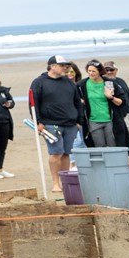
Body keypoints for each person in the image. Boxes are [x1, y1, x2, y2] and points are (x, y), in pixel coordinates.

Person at [28, 55, 87, 183]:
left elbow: (77, 102)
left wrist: (79, 121)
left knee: (66, 153)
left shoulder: (68, 82)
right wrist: (38, 122)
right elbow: (33, 103)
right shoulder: (39, 82)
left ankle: (65, 181)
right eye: (62, 65)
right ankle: (56, 183)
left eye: (66, 66)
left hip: (70, 124)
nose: (65, 68)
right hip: (50, 124)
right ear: (52, 66)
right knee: (56, 153)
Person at [102, 62, 129, 154]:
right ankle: (121, 156)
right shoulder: (103, 82)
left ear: (116, 70)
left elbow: (127, 95)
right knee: (118, 139)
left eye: (111, 70)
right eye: (106, 70)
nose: (109, 72)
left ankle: (124, 156)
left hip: (126, 113)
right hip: (114, 115)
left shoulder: (121, 81)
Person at [82, 61, 116, 149]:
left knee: (112, 146)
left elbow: (121, 100)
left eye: (93, 71)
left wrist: (111, 97)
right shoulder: (82, 84)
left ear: (100, 72)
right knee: (100, 147)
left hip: (109, 119)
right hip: (93, 120)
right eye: (89, 71)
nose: (90, 73)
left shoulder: (108, 82)